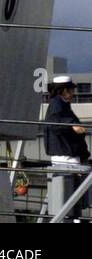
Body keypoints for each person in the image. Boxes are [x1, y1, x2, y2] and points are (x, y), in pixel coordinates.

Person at [44, 75, 90, 217]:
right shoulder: (57, 104)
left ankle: (71, 217)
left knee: (72, 189)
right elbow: (54, 123)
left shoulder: (61, 104)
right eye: (71, 90)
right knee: (71, 190)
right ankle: (70, 217)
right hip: (65, 155)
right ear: (64, 91)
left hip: (67, 154)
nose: (73, 93)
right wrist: (72, 125)